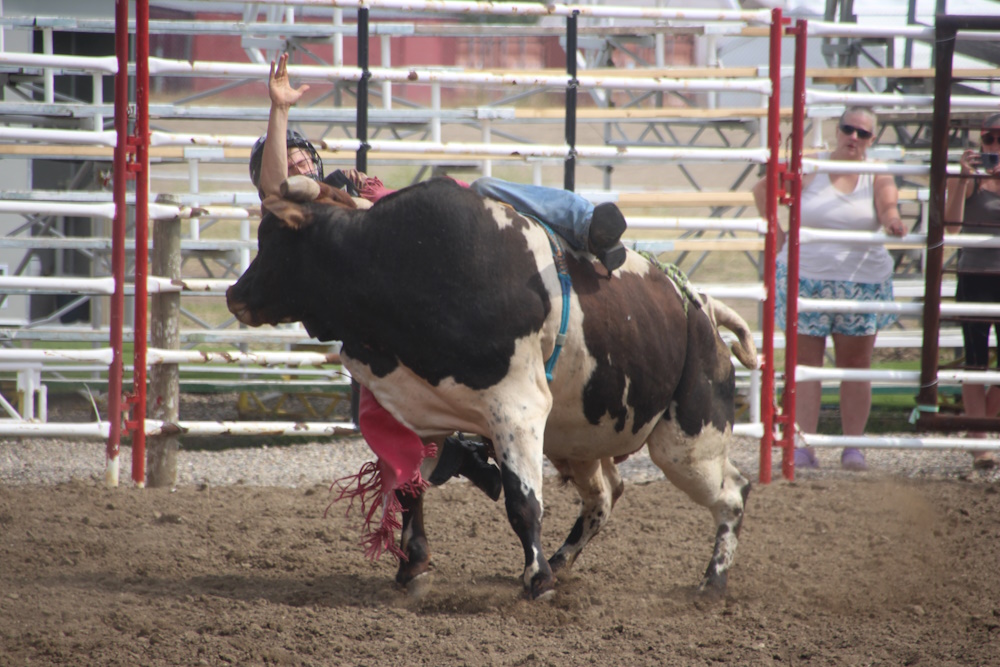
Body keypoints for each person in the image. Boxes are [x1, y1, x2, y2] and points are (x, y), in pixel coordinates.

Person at [251, 54, 502, 504]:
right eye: (287, 160)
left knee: (478, 195)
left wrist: (362, 208)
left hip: (414, 297)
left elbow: (397, 211)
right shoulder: (285, 225)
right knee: (383, 419)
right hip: (372, 333)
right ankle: (461, 459)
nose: (299, 166)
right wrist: (280, 110)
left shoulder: (345, 181)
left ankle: (472, 451)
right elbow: (275, 187)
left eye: (302, 157)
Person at [753, 106, 908, 471]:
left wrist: (893, 222)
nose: (854, 137)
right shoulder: (812, 167)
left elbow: (888, 207)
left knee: (856, 364)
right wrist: (781, 233)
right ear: (838, 131)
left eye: (863, 133)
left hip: (861, 283)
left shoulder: (876, 173)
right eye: (848, 129)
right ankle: (805, 445)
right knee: (806, 365)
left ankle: (852, 445)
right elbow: (763, 190)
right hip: (807, 280)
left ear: (873, 139)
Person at [944, 113, 1000, 470]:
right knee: (976, 359)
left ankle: (985, 427)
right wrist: (964, 177)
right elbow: (950, 223)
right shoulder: (972, 180)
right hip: (975, 274)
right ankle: (980, 439)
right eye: (989, 139)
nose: (995, 146)